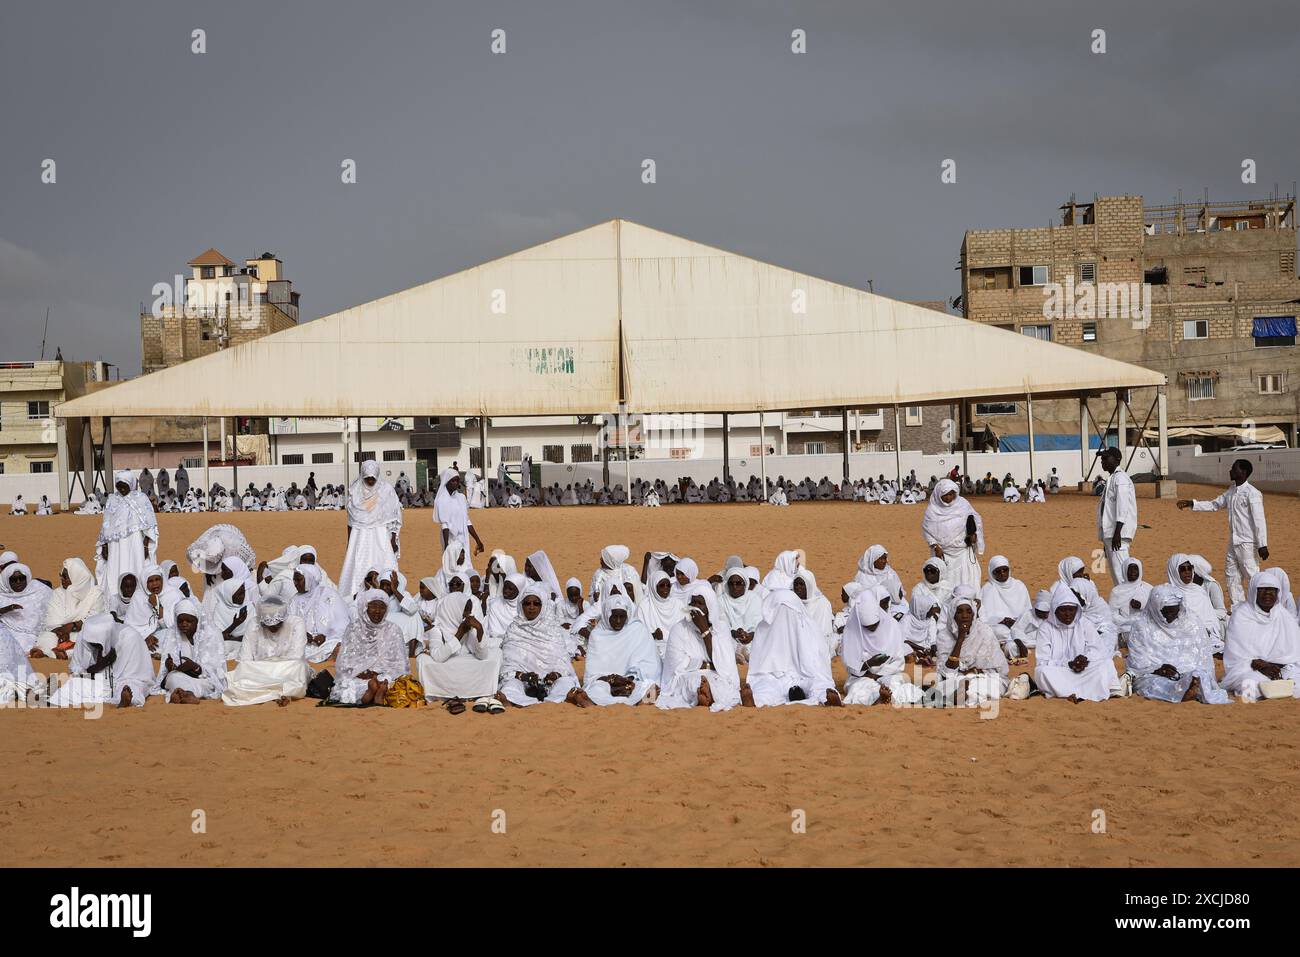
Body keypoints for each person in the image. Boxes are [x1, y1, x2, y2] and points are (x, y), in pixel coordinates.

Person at [746, 553, 840, 706]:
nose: (785, 614)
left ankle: (827, 699)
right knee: (765, 687)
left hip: (804, 675)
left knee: (818, 684)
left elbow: (818, 662)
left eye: (788, 609)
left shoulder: (808, 627)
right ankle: (754, 700)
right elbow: (760, 666)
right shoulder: (766, 629)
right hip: (774, 677)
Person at [1177, 459, 1269, 604]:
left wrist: (1262, 544)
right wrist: (1192, 503)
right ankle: (1237, 608)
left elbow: (1259, 520)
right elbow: (1215, 504)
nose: (1230, 471)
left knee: (1252, 576)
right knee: (1232, 576)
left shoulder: (1252, 493)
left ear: (1243, 472)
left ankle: (1260, 607)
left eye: (1234, 468)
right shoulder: (1231, 490)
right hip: (1234, 542)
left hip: (1248, 543)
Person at [1126, 584, 1230, 704]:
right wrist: (1158, 669)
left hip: (1187, 670)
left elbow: (1203, 659)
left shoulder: (1191, 622)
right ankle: (1183, 690)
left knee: (1201, 676)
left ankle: (1190, 685)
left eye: (1174, 610)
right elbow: (1137, 662)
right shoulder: (1141, 626)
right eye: (1165, 611)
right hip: (1154, 675)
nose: (1170, 615)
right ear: (1155, 608)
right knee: (1154, 684)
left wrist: (1187, 671)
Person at [414, 576, 503, 713]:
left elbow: (482, 655)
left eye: (468, 610)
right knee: (422, 659)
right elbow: (438, 657)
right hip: (446, 667)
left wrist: (479, 631)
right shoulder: (437, 629)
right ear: (452, 609)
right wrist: (460, 633)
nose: (467, 614)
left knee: (496, 654)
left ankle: (479, 692)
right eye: (465, 610)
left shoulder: (469, 626)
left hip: (468, 665)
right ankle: (446, 694)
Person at [497, 583, 590, 707]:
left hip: (550, 681)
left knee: (565, 683)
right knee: (510, 686)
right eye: (527, 603)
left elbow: (563, 662)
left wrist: (555, 674)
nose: (531, 607)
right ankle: (518, 701)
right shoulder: (514, 629)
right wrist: (522, 676)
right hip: (521, 680)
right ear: (520, 605)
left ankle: (553, 701)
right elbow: (507, 665)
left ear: (543, 606)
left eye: (536, 603)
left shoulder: (552, 630)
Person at [656, 581, 742, 711]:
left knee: (723, 683)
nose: (695, 608)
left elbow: (725, 667)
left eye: (700, 604)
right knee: (693, 682)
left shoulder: (721, 628)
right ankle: (704, 694)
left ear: (710, 608)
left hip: (715, 674)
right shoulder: (679, 628)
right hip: (689, 675)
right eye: (693, 603)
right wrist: (707, 664)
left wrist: (705, 631)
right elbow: (676, 665)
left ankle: (707, 694)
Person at [1033, 582, 1122, 702]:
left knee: (1107, 663)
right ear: (1055, 610)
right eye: (1063, 610)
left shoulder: (1084, 623)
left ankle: (1073, 691)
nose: (1068, 614)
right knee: (1041, 672)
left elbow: (1098, 650)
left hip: (1084, 669)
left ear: (1077, 609)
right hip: (1061, 671)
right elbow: (1042, 660)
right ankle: (1075, 692)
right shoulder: (1045, 628)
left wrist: (1085, 659)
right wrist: (1067, 664)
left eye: (1071, 609)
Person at [1222, 568, 1300, 701]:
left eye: (1272, 589)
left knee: (1296, 683)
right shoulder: (1241, 615)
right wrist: (1260, 665)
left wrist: (1279, 666)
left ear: (1278, 593)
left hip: (1281, 668)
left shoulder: (1284, 616)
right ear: (1254, 591)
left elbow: (1294, 654)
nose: (1268, 593)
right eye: (1263, 589)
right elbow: (1235, 656)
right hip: (1249, 669)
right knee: (1250, 688)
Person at [223, 596, 315, 706]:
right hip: (261, 668)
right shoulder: (254, 623)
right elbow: (245, 658)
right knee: (242, 668)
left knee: (298, 667)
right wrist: (265, 667)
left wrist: (271, 667)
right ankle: (277, 692)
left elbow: (296, 656)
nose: (273, 628)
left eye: (277, 623)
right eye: (269, 625)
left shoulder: (296, 623)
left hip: (286, 668)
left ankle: (268, 692)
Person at [329, 589, 409, 706]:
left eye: (382, 607)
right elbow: (344, 662)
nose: (377, 611)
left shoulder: (393, 630)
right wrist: (359, 671)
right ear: (365, 607)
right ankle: (370, 692)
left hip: (384, 675)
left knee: (392, 683)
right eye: (374, 606)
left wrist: (377, 674)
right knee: (346, 686)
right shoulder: (354, 628)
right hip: (358, 676)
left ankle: (376, 691)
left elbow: (400, 665)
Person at [338, 460, 403, 600]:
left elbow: (394, 515)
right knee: (357, 564)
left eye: (373, 478)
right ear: (362, 476)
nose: (370, 481)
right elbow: (350, 520)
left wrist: (393, 537)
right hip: (359, 535)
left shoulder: (386, 490)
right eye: (367, 478)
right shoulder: (355, 491)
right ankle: (356, 596)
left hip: (380, 534)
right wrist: (350, 542)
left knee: (383, 563)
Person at [581, 594, 661, 706]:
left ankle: (637, 701)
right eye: (614, 617)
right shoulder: (597, 635)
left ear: (627, 616)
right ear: (606, 615)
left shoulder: (638, 630)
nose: (618, 621)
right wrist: (612, 680)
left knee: (649, 686)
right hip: (606, 683)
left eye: (622, 617)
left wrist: (629, 679)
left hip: (632, 682)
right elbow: (592, 675)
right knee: (596, 689)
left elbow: (650, 665)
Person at [840, 596, 922, 706]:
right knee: (859, 688)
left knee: (895, 684)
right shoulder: (851, 631)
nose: (872, 629)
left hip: (888, 673)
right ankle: (880, 698)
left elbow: (898, 661)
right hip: (861, 677)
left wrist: (878, 675)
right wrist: (869, 664)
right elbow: (851, 665)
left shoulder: (892, 626)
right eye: (867, 627)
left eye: (875, 625)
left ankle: (885, 697)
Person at [934, 593, 1009, 707]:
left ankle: (964, 695)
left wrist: (972, 673)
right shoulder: (944, 636)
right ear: (952, 615)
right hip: (956, 679)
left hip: (983, 678)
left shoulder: (984, 632)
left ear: (974, 615)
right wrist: (960, 639)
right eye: (960, 612)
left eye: (969, 612)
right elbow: (946, 673)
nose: (965, 616)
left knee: (990, 685)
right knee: (942, 686)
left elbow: (998, 669)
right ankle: (967, 695)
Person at [151, 597, 227, 703]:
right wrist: (170, 667)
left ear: (197, 620)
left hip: (204, 680)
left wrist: (196, 667)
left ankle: (185, 694)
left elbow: (217, 671)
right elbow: (167, 673)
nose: (184, 624)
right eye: (180, 621)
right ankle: (186, 694)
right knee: (173, 678)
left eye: (189, 621)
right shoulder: (172, 634)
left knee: (208, 685)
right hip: (181, 677)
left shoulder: (212, 635)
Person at [96, 470, 158, 592]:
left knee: (136, 567)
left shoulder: (141, 498)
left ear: (131, 484)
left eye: (124, 486)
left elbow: (150, 524)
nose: (122, 489)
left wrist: (146, 545)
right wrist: (104, 545)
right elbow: (106, 524)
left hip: (135, 543)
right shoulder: (112, 499)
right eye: (119, 486)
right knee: (115, 569)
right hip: (115, 544)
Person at [32, 558, 104, 659]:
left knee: (85, 641)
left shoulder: (96, 594)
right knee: (47, 637)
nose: (62, 579)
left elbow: (94, 620)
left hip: (83, 633)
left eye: (65, 576)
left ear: (77, 577)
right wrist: (61, 631)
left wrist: (71, 626)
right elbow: (52, 621)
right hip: (59, 633)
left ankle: (55, 653)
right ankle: (49, 651)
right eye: (61, 575)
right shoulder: (58, 593)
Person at [921, 478, 984, 590]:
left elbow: (975, 519)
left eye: (951, 494)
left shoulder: (963, 504)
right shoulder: (932, 510)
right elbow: (927, 531)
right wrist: (935, 546)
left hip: (963, 551)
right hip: (943, 554)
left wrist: (974, 536)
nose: (949, 498)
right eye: (945, 495)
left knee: (968, 580)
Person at [287, 564, 350, 663]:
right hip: (303, 645)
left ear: (310, 579)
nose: (295, 583)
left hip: (328, 643)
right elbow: (289, 625)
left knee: (339, 647)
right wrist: (301, 634)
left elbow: (343, 625)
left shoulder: (329, 595)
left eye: (299, 580)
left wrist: (327, 637)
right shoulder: (294, 600)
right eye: (294, 580)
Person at [1097, 447, 1137, 587]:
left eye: (1106, 458)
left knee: (1122, 576)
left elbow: (1122, 506)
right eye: (1102, 459)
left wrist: (1117, 532)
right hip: (1111, 534)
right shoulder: (1112, 478)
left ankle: (1126, 605)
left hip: (1118, 535)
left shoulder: (1120, 478)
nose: (1102, 461)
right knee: (1116, 576)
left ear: (1117, 459)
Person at [979, 556, 1032, 662]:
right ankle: (1015, 644)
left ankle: (1009, 645)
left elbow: (1028, 611)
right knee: (998, 631)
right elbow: (983, 617)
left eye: (1005, 570)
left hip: (1020, 625)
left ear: (1009, 569)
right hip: (1001, 627)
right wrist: (1001, 620)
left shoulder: (1019, 585)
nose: (1002, 573)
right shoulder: (988, 589)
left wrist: (1017, 622)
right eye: (998, 571)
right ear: (991, 573)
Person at [0, 563, 53, 655]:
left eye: (22, 578)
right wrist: (5, 609)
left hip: (38, 635)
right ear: (6, 581)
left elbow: (57, 607)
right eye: (13, 580)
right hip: (9, 635)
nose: (18, 582)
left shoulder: (40, 590)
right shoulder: (2, 597)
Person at [433, 469, 485, 556]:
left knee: (466, 566)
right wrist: (446, 546)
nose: (456, 483)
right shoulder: (442, 500)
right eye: (453, 481)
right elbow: (445, 525)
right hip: (450, 540)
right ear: (447, 481)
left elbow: (467, 521)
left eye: (457, 481)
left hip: (463, 539)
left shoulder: (461, 498)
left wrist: (478, 540)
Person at [1107, 558, 1152, 646]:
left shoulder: (1149, 589)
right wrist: (1127, 621)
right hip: (1125, 629)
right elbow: (1111, 615)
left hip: (1146, 628)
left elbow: (1155, 611)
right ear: (1124, 571)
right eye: (1130, 569)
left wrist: (1142, 606)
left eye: (1135, 568)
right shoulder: (1117, 591)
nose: (1133, 572)